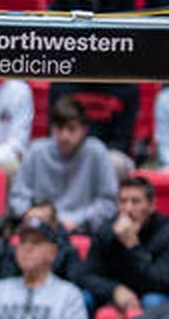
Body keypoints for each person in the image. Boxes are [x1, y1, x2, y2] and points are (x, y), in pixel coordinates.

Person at [78, 175, 169, 314]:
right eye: (123, 202)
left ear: (151, 206)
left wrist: (132, 246)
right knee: (84, 298)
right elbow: (86, 276)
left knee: (151, 301)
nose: (128, 209)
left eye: (136, 202)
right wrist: (114, 290)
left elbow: (159, 282)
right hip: (122, 294)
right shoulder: (107, 230)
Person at [9, 95, 118, 235]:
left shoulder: (97, 152)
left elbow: (108, 202)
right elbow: (18, 197)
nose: (64, 136)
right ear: (52, 128)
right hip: (39, 230)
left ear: (84, 129)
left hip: (84, 229)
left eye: (71, 129)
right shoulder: (36, 151)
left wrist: (77, 220)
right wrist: (31, 214)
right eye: (59, 129)